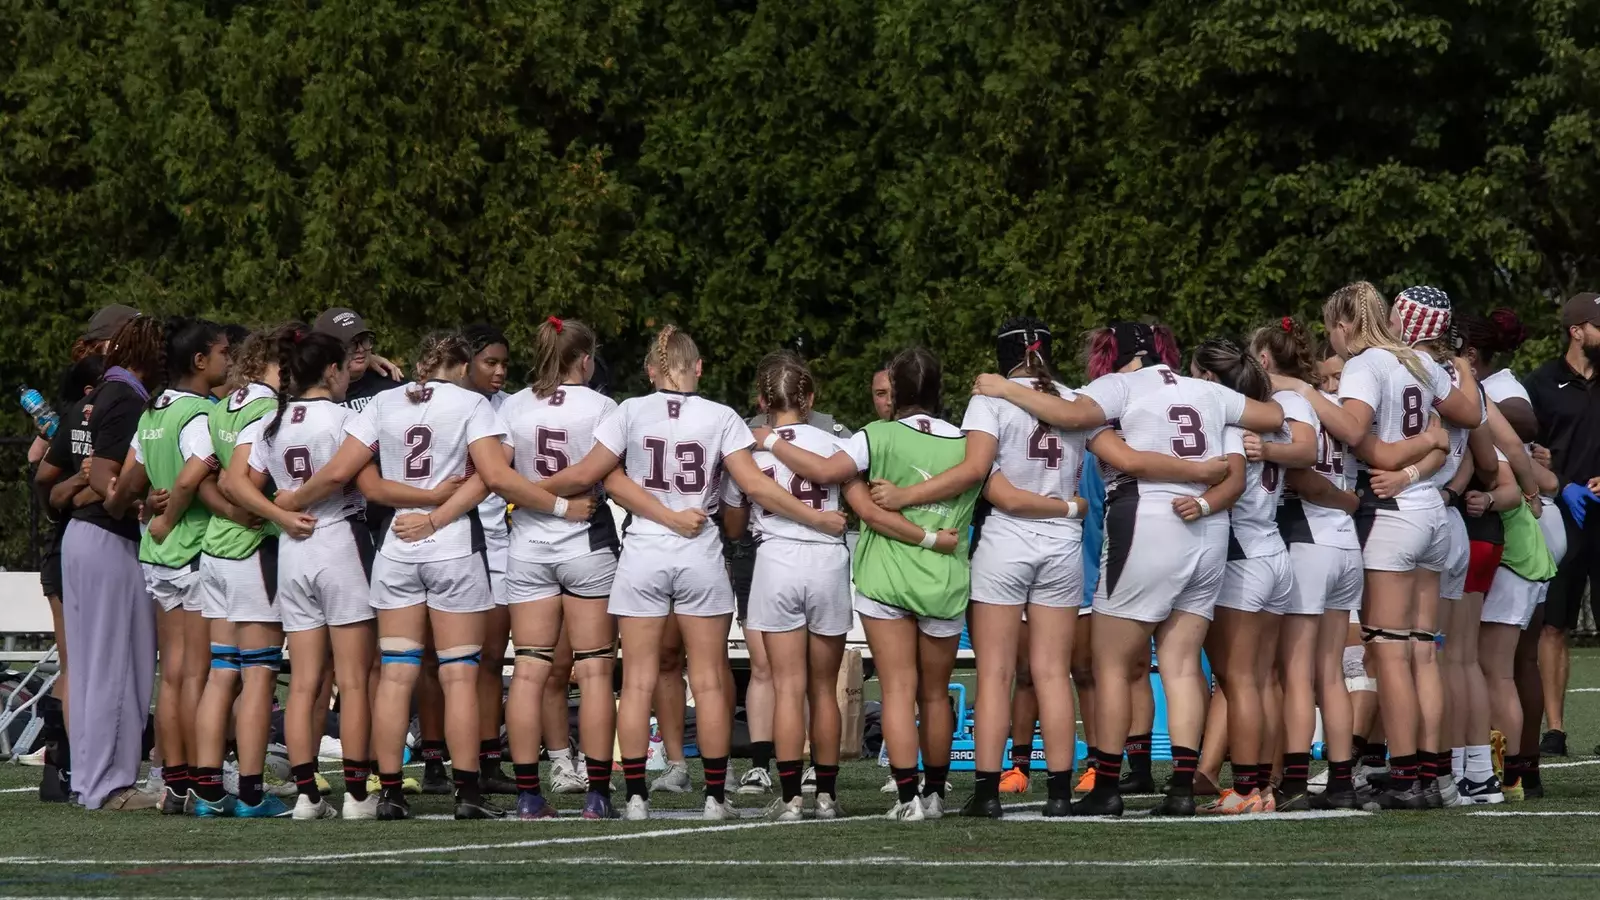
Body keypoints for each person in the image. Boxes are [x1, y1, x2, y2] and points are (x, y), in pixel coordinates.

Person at [870, 320, 1216, 818]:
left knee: (995, 674)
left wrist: (906, 496)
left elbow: (982, 479)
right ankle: (1058, 792)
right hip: (1062, 546)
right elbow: (1122, 456)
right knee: (1055, 674)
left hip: (1007, 541)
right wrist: (1193, 473)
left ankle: (987, 793)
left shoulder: (992, 397)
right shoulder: (1077, 399)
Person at [537, 325, 847, 822]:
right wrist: (815, 518)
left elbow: (597, 474)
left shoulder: (629, 410)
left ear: (650, 369)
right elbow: (754, 488)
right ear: (698, 368)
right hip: (699, 551)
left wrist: (517, 487)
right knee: (708, 679)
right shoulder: (721, 415)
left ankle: (635, 795)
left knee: (635, 680)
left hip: (643, 551)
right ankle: (713, 796)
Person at [973, 323, 1283, 817]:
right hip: (1208, 528)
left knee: (1112, 664)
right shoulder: (1206, 390)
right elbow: (1273, 413)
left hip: (1146, 519)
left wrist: (1006, 386)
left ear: (1111, 354)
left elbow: (1072, 414)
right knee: (1181, 665)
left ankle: (1108, 786)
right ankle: (1182, 787)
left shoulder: (1120, 385)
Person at [1269, 281, 1481, 810]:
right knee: (1422, 653)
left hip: (1392, 517)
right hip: (1432, 509)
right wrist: (1425, 451)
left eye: (1330, 328)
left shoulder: (1366, 363)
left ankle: (1409, 776)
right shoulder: (1417, 361)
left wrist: (1305, 391)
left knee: (1389, 655)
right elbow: (1470, 416)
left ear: (1345, 324)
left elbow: (1358, 431)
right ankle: (1435, 776)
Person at [757, 347, 977, 822]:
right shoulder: (966, 441)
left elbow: (822, 472)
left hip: (886, 578)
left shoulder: (874, 436)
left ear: (893, 391)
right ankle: (936, 794)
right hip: (944, 578)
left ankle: (906, 798)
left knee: (897, 690)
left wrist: (770, 440)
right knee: (935, 693)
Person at [497, 316, 690, 820]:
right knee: (597, 672)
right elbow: (598, 475)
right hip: (586, 544)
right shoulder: (605, 405)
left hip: (528, 548)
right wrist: (560, 502)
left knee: (529, 671)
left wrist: (532, 499)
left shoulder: (512, 405)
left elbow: (500, 478)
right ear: (585, 359)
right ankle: (598, 795)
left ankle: (527, 795)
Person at [221, 327, 380, 820]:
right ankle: (356, 794)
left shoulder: (273, 418)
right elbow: (337, 475)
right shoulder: (350, 415)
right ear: (332, 370)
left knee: (306, 680)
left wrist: (280, 515)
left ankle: (308, 795)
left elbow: (233, 483)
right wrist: (292, 504)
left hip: (293, 552)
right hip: (338, 542)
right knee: (353, 679)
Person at [104, 319, 234, 815]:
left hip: (159, 561)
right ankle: (202, 782)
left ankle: (175, 781)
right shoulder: (201, 412)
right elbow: (194, 473)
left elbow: (127, 483)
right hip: (193, 550)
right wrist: (170, 514)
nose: (228, 361)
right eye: (223, 352)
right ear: (200, 361)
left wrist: (145, 503)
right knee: (197, 673)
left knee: (175, 675)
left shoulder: (155, 409)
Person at [721, 351, 853, 820]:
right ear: (811, 397)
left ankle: (793, 798)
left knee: (787, 685)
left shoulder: (750, 445)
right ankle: (828, 796)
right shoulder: (837, 439)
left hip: (776, 560)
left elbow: (734, 525)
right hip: (827, 563)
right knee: (823, 687)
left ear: (761, 399)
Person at [1188, 338, 1310, 815]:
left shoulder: (1228, 424)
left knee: (1237, 681)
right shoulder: (1268, 421)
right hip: (1273, 552)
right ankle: (1262, 788)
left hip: (1243, 557)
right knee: (1259, 681)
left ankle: (1244, 789)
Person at [1252, 319, 1363, 810]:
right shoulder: (1331, 402)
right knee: (1330, 672)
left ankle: (1295, 780)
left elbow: (1304, 473)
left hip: (1309, 536)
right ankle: (1340, 780)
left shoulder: (1286, 403)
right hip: (1343, 545)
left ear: (1264, 359)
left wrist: (1341, 500)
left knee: (1297, 672)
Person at [57, 315, 166, 811]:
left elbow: (66, 475)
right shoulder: (128, 397)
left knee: (89, 668)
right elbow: (106, 475)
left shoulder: (98, 391)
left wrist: (91, 492)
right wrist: (128, 502)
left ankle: (89, 781)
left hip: (83, 540)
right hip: (109, 539)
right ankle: (110, 785)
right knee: (119, 667)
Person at [194, 329, 291, 817]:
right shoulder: (269, 409)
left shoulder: (223, 404)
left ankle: (209, 791)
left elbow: (208, 478)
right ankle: (252, 792)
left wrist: (231, 510)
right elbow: (240, 480)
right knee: (259, 676)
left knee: (222, 672)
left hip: (216, 549)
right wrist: (274, 512)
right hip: (253, 551)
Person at [32, 350, 112, 803]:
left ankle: (63, 767)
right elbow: (47, 478)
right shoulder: (84, 418)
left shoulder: (73, 419)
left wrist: (61, 498)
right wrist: (77, 490)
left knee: (77, 661)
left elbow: (44, 477)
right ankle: (65, 764)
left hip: (66, 544)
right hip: (77, 544)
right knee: (80, 663)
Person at [1523, 292, 1600, 759]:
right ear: (1577, 330)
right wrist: (1562, 484)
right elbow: (1527, 450)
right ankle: (1554, 729)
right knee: (1554, 624)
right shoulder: (1541, 383)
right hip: (1562, 516)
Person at [460, 323, 517, 796]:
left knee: (491, 659)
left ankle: (487, 757)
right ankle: (438, 757)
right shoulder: (444, 403)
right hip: (447, 540)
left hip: (497, 543)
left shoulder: (510, 407)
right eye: (489, 362)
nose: (499, 372)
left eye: (504, 364)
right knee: (450, 660)